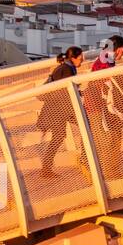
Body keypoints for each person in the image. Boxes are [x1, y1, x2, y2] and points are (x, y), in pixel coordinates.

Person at [92, 36, 123, 175]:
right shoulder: (106, 58)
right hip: (105, 104)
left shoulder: (104, 58)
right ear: (118, 49)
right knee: (113, 136)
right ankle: (110, 170)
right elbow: (107, 81)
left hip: (107, 102)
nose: (122, 54)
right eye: (122, 51)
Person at [38, 47, 84, 177]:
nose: (83, 60)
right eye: (81, 57)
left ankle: (46, 168)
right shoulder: (66, 69)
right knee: (87, 127)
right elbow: (65, 92)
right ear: (73, 58)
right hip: (59, 109)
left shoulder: (66, 68)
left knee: (58, 137)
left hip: (59, 109)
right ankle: (86, 159)